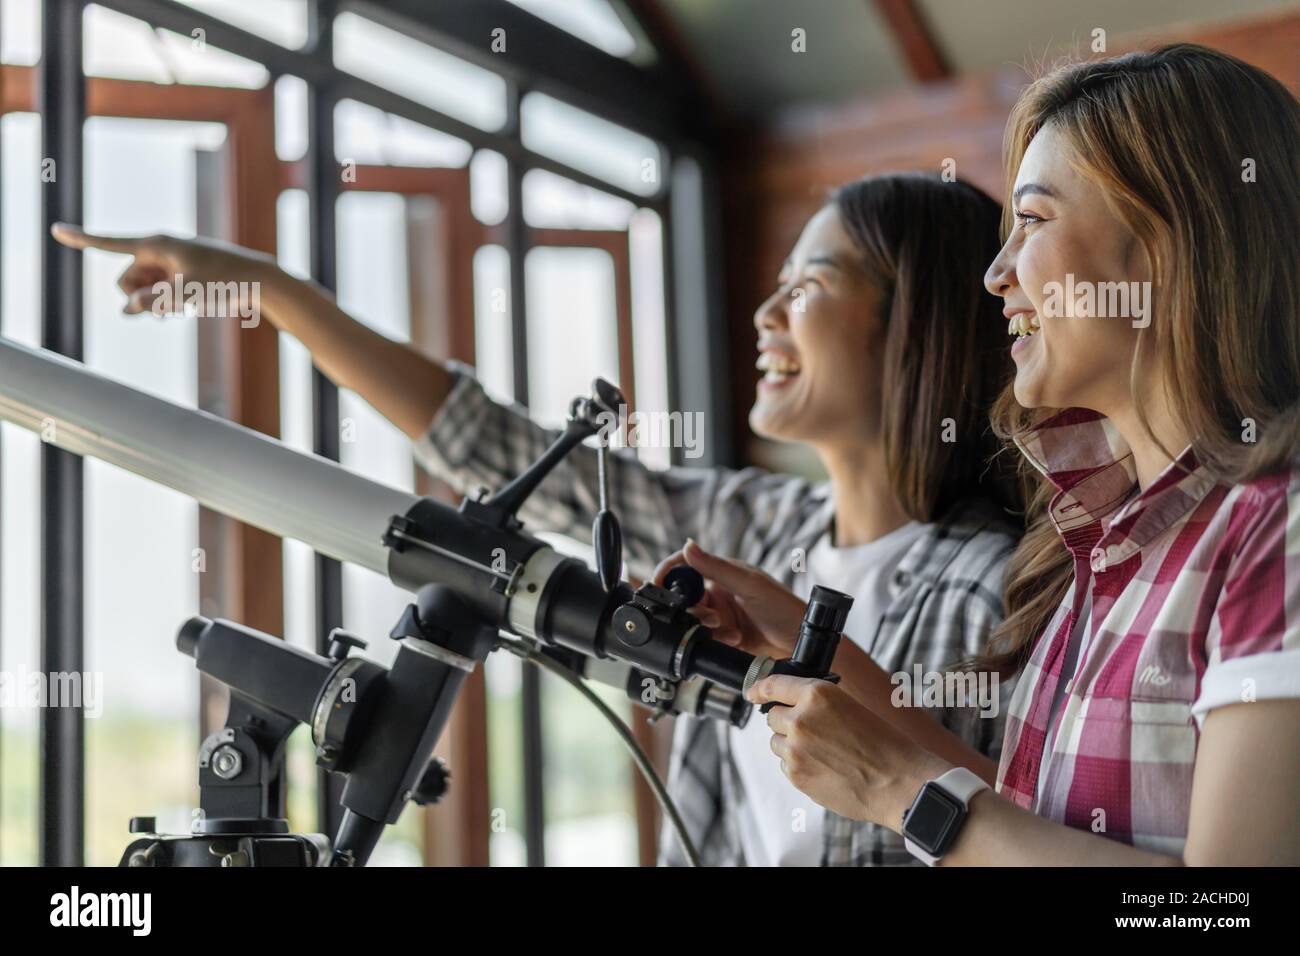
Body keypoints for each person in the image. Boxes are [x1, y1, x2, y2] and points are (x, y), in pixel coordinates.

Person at [53, 171, 1022, 867]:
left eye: (808, 283)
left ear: (917, 321)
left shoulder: (997, 585)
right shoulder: (752, 524)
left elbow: (1016, 827)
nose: (769, 310)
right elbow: (492, 446)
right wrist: (269, 288)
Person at [729, 44, 1300, 865]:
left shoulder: (1274, 531)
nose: (997, 276)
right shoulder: (1104, 546)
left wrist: (901, 791)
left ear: (1169, 241)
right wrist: (794, 635)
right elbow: (1038, 840)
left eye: (1030, 222)